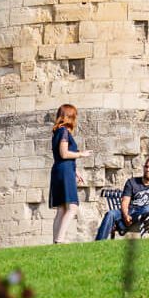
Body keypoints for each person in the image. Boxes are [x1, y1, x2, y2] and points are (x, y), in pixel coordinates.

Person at [95, 157, 149, 240]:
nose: (147, 169)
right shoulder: (132, 182)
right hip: (129, 211)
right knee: (110, 214)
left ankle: (122, 225)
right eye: (146, 167)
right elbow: (125, 201)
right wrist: (126, 215)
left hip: (143, 213)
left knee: (147, 209)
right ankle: (99, 242)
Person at [49, 103, 91, 243]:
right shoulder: (64, 131)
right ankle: (59, 240)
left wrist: (75, 172)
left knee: (61, 209)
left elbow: (60, 157)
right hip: (64, 172)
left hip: (61, 170)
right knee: (72, 207)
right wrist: (81, 154)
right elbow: (64, 153)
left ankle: (56, 241)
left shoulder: (57, 132)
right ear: (70, 116)